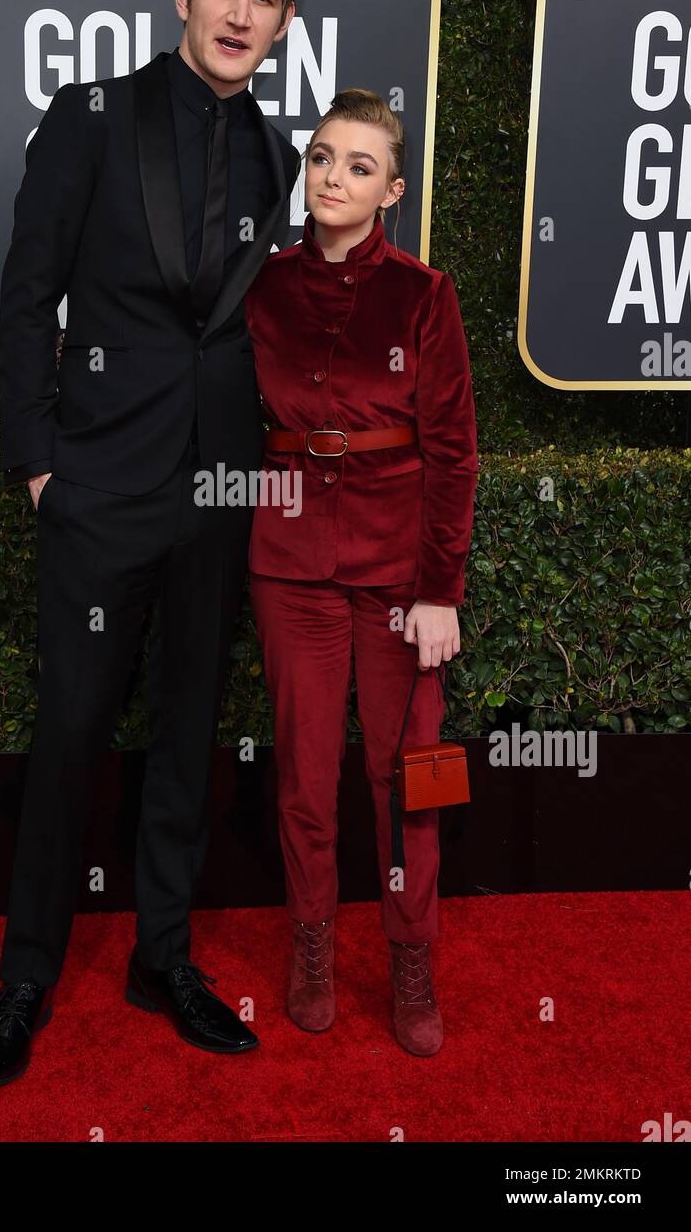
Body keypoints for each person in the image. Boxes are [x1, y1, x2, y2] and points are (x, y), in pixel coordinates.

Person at [0, 0, 304, 1087]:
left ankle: (163, 954)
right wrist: (38, 461)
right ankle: (25, 974)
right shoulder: (91, 116)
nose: (240, 14)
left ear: (282, 20)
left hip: (218, 483)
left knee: (187, 731)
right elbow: (24, 293)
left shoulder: (276, 151)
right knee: (68, 732)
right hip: (100, 480)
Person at [245, 90, 478, 1056]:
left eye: (358, 165)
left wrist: (440, 593)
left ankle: (411, 958)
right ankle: (311, 946)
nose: (332, 177)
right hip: (291, 563)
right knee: (304, 775)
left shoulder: (425, 294)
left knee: (410, 777)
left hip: (398, 576)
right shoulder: (261, 288)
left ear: (393, 187)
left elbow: (456, 451)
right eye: (321, 157)